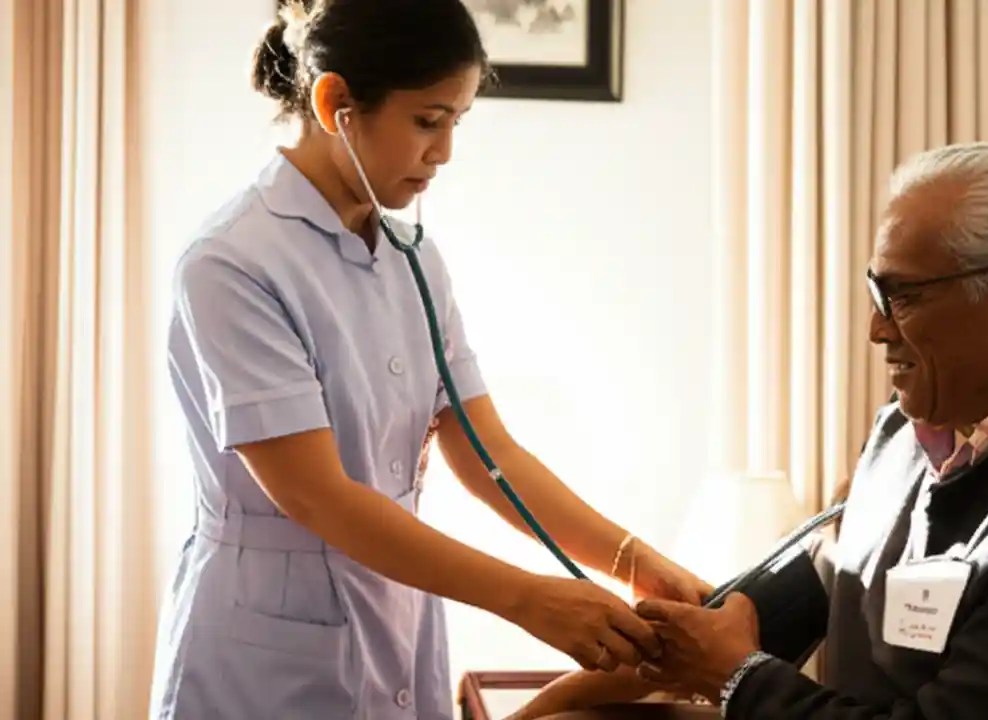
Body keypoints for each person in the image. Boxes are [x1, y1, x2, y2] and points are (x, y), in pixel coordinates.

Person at [514, 143, 988, 719]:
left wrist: (736, 677)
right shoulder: (908, 436)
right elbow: (814, 583)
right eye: (875, 291)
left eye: (903, 296)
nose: (877, 329)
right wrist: (614, 673)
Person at [147, 1, 709, 718]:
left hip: (397, 610)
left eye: (456, 123)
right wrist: (528, 599)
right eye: (427, 121)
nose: (443, 152)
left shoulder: (412, 256)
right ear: (336, 103)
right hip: (265, 649)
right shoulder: (232, 263)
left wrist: (636, 561)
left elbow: (489, 453)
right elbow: (318, 496)